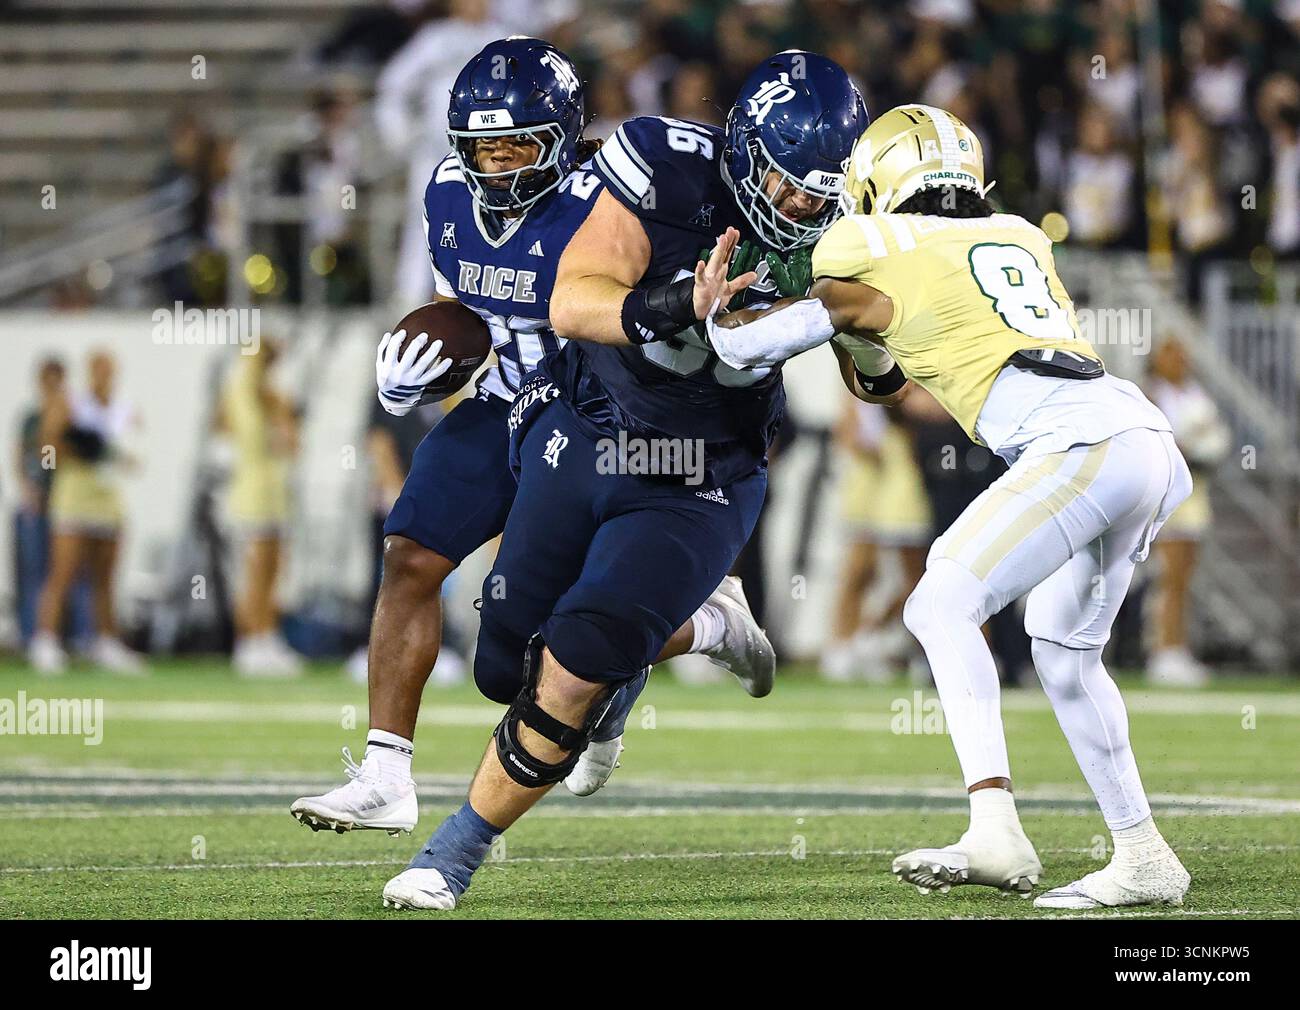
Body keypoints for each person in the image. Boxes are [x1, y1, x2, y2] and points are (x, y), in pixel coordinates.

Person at [378, 50, 871, 911]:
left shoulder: (855, 234)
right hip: (592, 426)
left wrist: (875, 337)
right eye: (785, 182)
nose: (798, 205)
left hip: (701, 471)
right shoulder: (666, 163)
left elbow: (879, 375)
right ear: (745, 148)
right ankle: (709, 624)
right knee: (506, 662)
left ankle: (450, 855)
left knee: (573, 664)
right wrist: (680, 304)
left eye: (817, 193)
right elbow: (574, 300)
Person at [292, 39, 774, 862]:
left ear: (562, 134)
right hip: (499, 404)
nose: (498, 162)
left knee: (538, 646)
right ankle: (384, 774)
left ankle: (700, 625)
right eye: (482, 146)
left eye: (516, 142)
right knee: (409, 553)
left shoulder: (607, 198)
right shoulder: (446, 194)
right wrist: (415, 364)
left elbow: (634, 322)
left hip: (593, 416)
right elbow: (465, 312)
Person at [708, 104, 1193, 911]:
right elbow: (899, 357)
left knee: (940, 601)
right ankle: (1144, 856)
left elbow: (748, 347)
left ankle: (995, 825)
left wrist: (719, 312)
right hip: (1141, 438)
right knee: (1065, 656)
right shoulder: (1020, 235)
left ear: (875, 183)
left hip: (1080, 444)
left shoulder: (872, 241)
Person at [29, 350, 145, 675]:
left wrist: (121, 458)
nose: (104, 376)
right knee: (63, 571)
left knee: (105, 575)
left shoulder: (121, 408)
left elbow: (127, 447)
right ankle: (45, 640)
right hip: (74, 494)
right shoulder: (72, 403)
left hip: (106, 495)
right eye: (99, 369)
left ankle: (106, 642)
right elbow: (47, 445)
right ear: (90, 371)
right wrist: (61, 462)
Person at [823, 398, 930, 682]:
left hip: (899, 488)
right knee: (859, 571)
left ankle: (872, 641)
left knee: (910, 580)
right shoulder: (858, 393)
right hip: (870, 486)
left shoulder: (907, 392)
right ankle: (845, 645)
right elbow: (847, 436)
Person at [1145, 338, 1229, 686]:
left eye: (1182, 353)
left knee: (1184, 576)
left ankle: (1177, 648)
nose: (1179, 359)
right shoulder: (1151, 395)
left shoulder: (1193, 392)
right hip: (1168, 493)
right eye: (1171, 353)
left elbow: (1214, 434)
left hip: (1196, 489)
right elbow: (1160, 441)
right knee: (1169, 576)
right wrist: (1190, 443)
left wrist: (1203, 446)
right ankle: (1162, 650)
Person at [217, 340, 303, 677]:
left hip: (274, 488)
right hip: (252, 489)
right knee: (255, 567)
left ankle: (266, 636)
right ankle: (248, 641)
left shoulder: (270, 393)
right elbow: (244, 431)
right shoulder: (242, 388)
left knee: (274, 565)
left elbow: (291, 443)